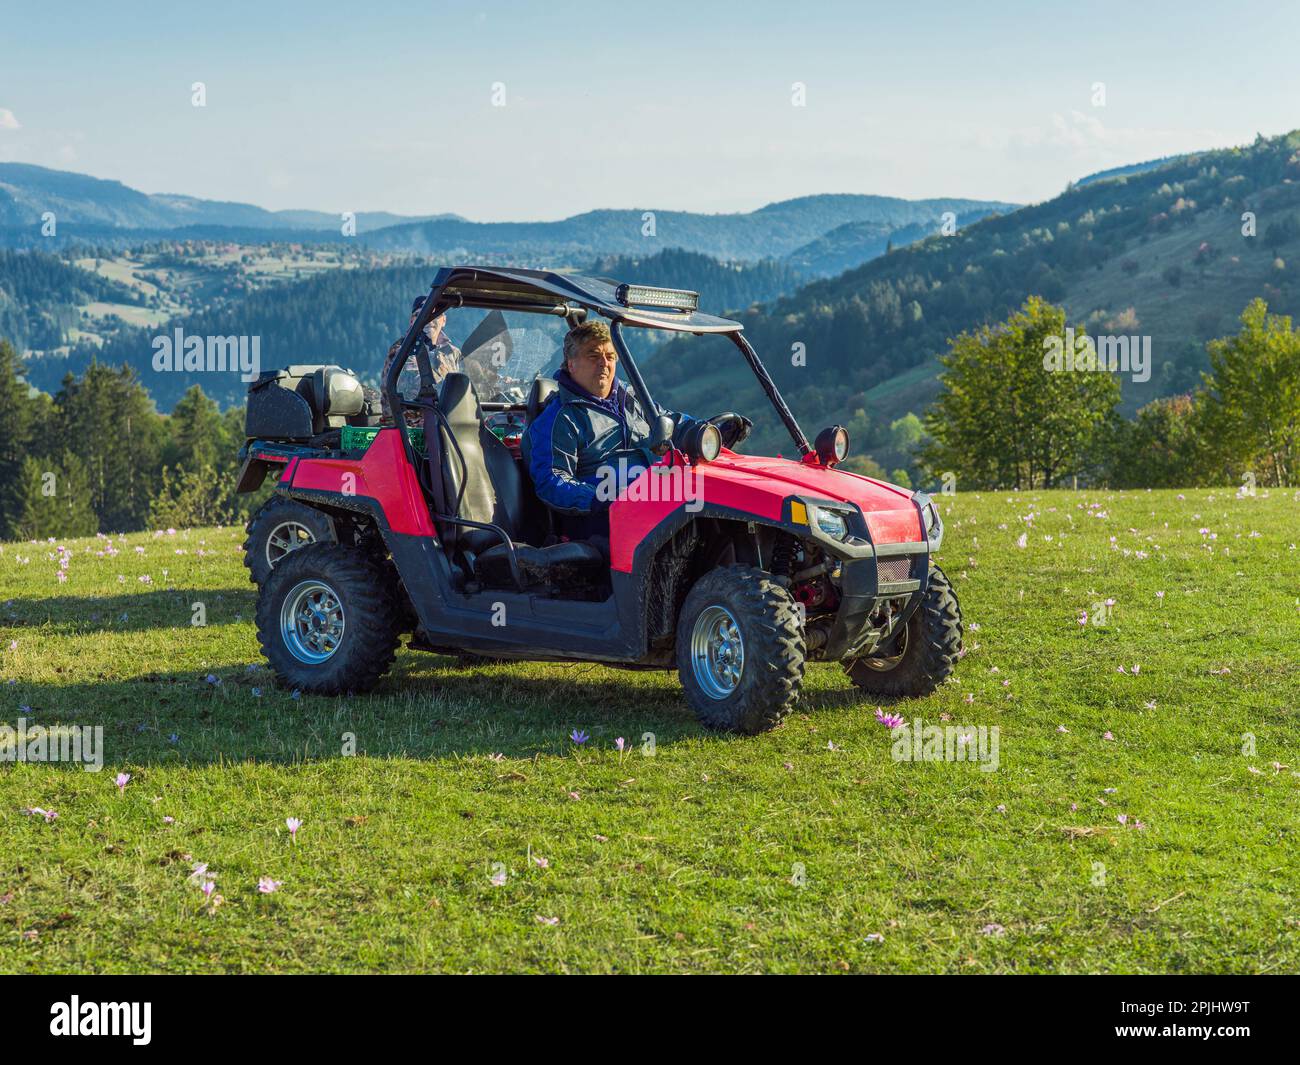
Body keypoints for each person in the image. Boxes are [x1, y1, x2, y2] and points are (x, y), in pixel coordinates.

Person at [525, 320, 705, 538]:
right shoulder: (560, 418)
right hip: (602, 519)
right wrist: (599, 498)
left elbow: (666, 422)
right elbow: (552, 479)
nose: (604, 363)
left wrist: (703, 432)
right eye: (593, 356)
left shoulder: (631, 398)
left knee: (713, 503)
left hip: (657, 497)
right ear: (571, 364)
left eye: (610, 357)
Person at [380, 296, 462, 425]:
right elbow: (411, 387)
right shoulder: (402, 350)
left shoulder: (453, 352)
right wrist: (454, 389)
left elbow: (467, 379)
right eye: (420, 315)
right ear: (412, 320)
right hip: (407, 426)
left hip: (442, 421)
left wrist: (494, 382)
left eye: (434, 314)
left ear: (443, 320)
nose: (428, 320)